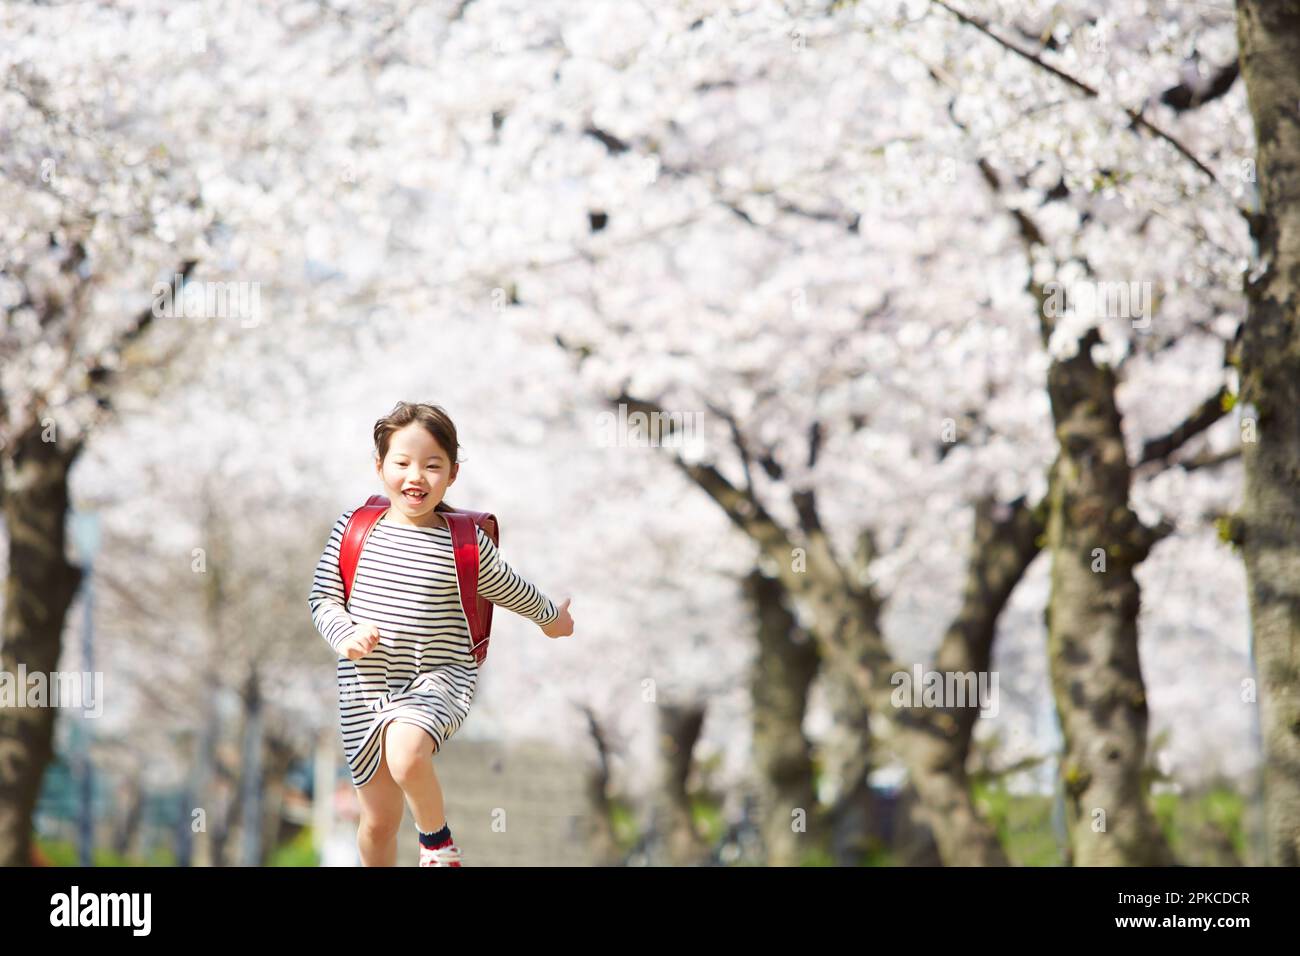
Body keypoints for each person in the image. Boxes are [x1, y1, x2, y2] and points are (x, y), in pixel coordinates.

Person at [307, 401, 575, 866]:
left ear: (452, 474)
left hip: (438, 677)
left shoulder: (464, 546)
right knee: (378, 824)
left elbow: (514, 590)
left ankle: (436, 845)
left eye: (433, 466)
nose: (416, 477)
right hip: (363, 690)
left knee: (407, 752)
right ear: (379, 467)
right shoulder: (353, 531)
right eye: (403, 463)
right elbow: (323, 598)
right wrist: (344, 633)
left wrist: (554, 620)